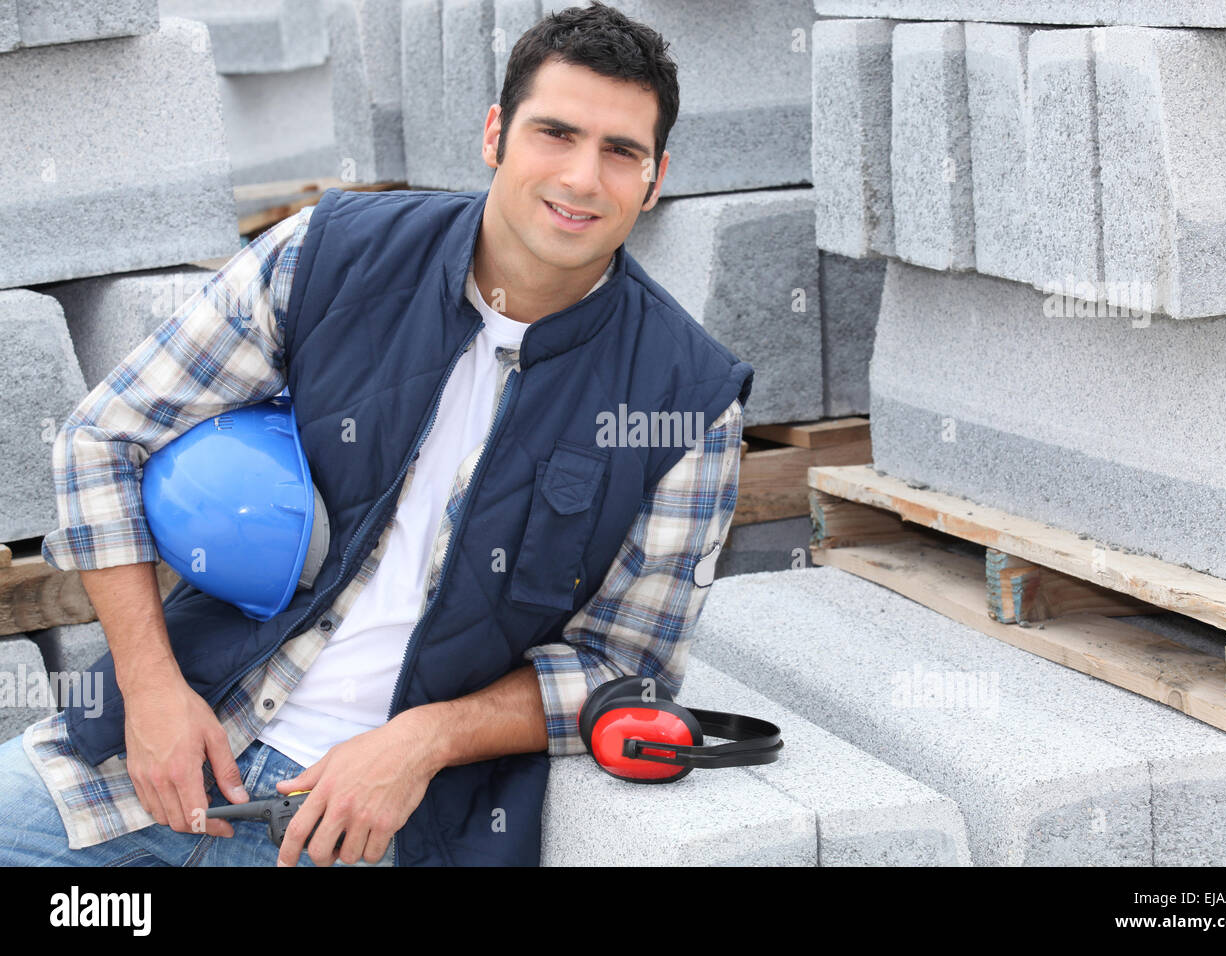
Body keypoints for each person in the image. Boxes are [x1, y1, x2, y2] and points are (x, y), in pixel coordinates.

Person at [0, 0, 752, 867]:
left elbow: (621, 666)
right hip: (179, 736)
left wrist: (423, 741)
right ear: (495, 135)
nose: (583, 177)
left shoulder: (687, 401)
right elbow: (104, 439)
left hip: (378, 820)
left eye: (621, 152)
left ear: (655, 180)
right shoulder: (330, 253)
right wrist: (151, 687)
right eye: (556, 133)